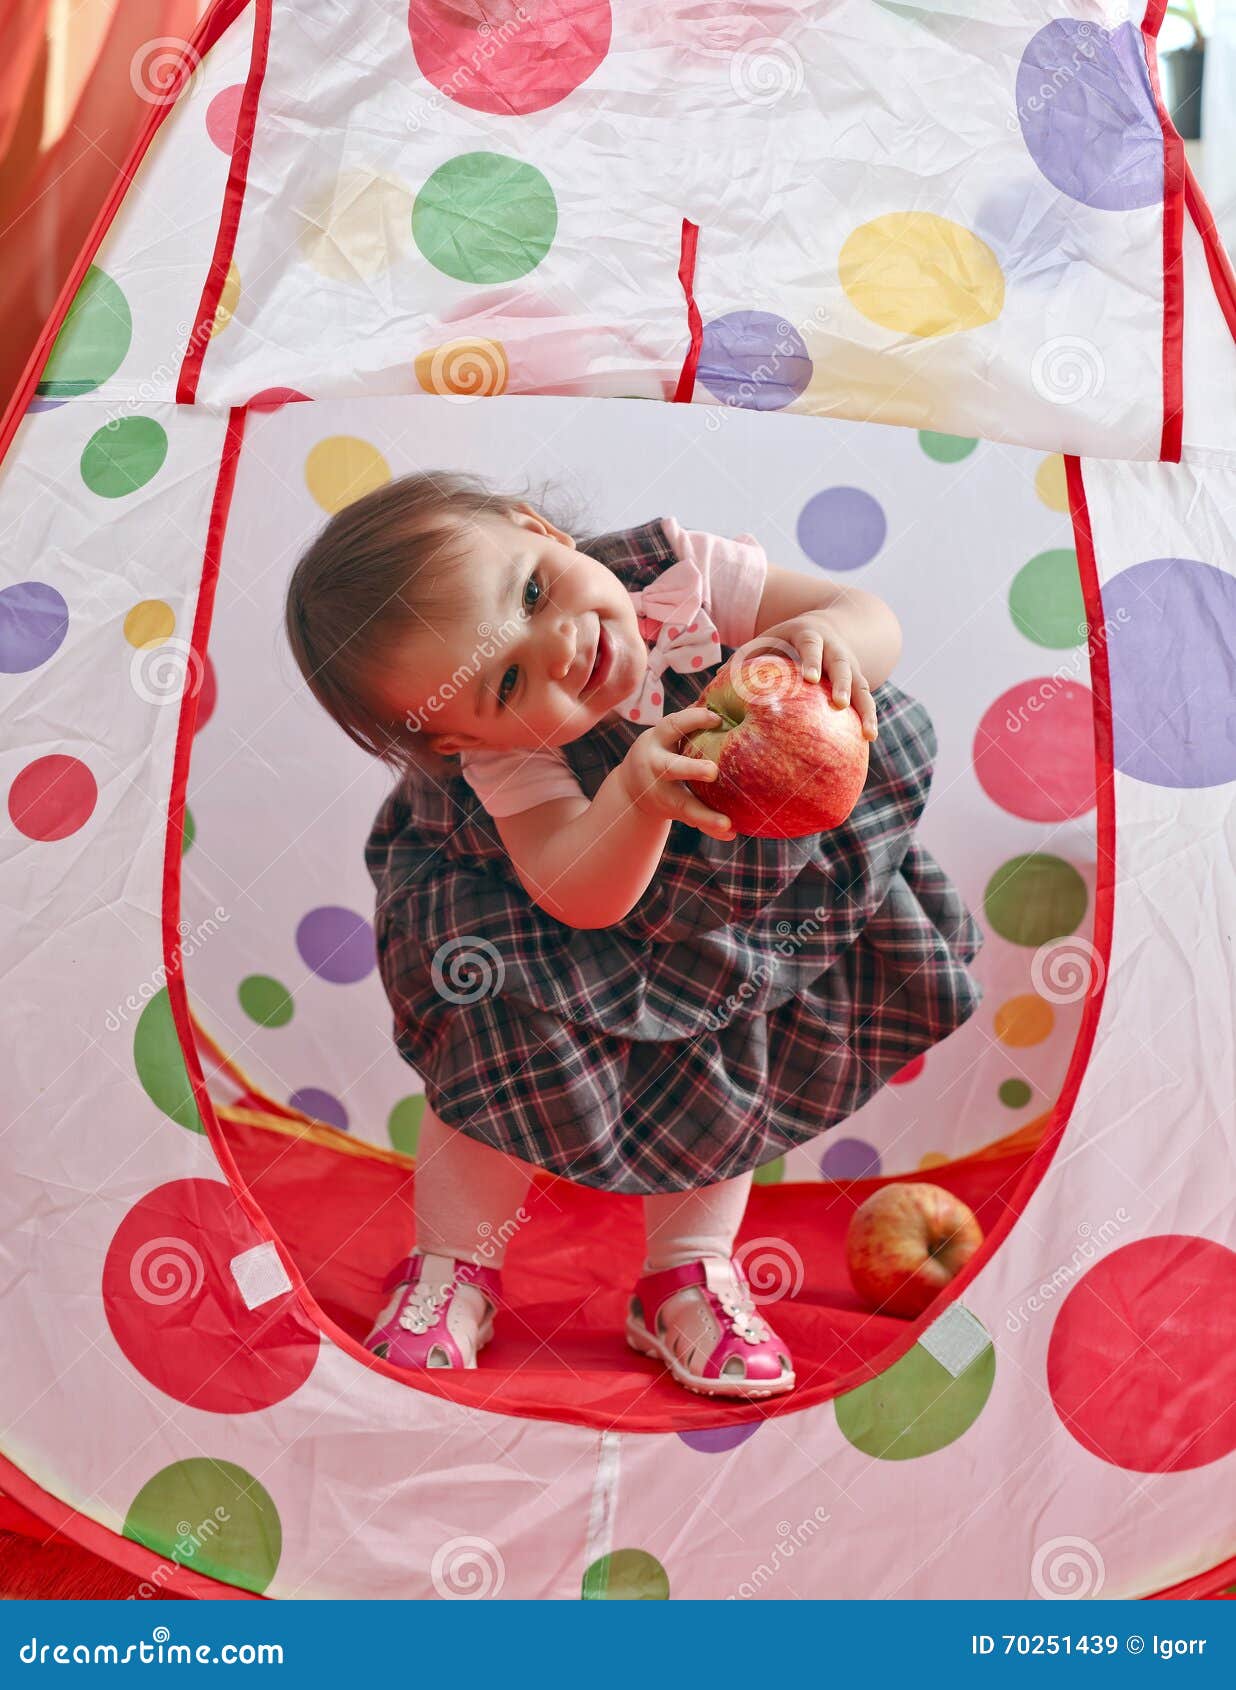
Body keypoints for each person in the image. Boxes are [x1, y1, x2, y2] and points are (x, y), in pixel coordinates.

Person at [283, 470, 984, 1399]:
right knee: (488, 1061)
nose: (561, 646)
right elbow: (578, 888)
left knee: (731, 1060)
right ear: (458, 738)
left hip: (736, 901)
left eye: (531, 591)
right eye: (504, 678)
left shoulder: (682, 570)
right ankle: (452, 1265)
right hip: (547, 923)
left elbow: (867, 615)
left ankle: (688, 1274)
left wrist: (830, 637)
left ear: (537, 529)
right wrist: (636, 797)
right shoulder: (506, 755)